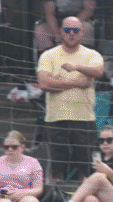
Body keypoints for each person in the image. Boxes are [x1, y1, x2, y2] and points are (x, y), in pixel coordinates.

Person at [37, 16, 104, 182]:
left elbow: (98, 72)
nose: (71, 33)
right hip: (56, 118)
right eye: (67, 30)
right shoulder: (48, 55)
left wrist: (76, 67)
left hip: (84, 118)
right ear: (60, 32)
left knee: (86, 169)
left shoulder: (92, 55)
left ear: (82, 33)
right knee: (56, 169)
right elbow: (44, 83)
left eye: (75, 30)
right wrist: (76, 82)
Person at [0, 130, 43, 202]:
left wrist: (21, 194)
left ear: (22, 147)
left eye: (14, 147)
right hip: (3, 197)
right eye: (6, 147)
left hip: (26, 196)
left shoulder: (33, 162)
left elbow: (39, 189)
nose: (10, 149)